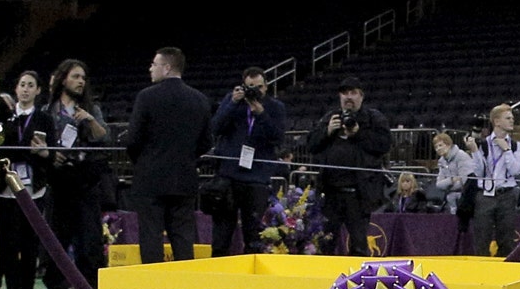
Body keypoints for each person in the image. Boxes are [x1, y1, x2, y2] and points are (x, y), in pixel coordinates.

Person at [126, 47, 213, 264]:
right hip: (184, 180)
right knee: (184, 238)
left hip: (150, 179)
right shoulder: (201, 99)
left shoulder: (146, 97)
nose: (150, 68)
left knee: (151, 237)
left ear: (166, 67)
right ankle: (185, 287)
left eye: (154, 64)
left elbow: (133, 140)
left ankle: (153, 288)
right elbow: (206, 143)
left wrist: (144, 162)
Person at [43, 58, 109, 289]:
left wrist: (90, 121)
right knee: (57, 238)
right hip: (59, 182)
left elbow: (105, 137)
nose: (81, 81)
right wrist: (51, 155)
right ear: (63, 79)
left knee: (90, 240)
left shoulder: (92, 108)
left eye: (83, 77)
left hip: (86, 182)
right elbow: (38, 143)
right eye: (76, 77)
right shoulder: (47, 111)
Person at [306, 76, 392, 256]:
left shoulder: (373, 118)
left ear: (361, 96)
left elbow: (383, 145)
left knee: (359, 247)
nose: (348, 97)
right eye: (345, 93)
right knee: (325, 245)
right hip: (330, 194)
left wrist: (358, 133)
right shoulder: (330, 117)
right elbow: (311, 145)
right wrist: (326, 131)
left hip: (359, 196)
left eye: (353, 93)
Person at [208, 66, 287, 257]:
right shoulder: (232, 101)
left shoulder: (275, 107)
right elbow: (215, 128)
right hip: (229, 177)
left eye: (259, 87)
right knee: (221, 237)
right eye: (250, 87)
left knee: (254, 236)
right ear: (243, 86)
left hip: (256, 179)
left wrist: (261, 113)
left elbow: (277, 138)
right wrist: (232, 103)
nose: (255, 91)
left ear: (266, 87)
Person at [0, 71, 55, 289]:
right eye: (22, 85)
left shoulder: (44, 119)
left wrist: (44, 153)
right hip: (7, 190)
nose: (25, 89)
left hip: (35, 190)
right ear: (16, 89)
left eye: (31, 85)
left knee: (30, 244)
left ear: (38, 91)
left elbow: (51, 153)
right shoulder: (5, 117)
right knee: (9, 244)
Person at [465, 103, 520, 256]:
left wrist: (506, 150)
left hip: (507, 194)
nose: (512, 120)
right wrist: (475, 152)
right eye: (508, 118)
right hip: (485, 195)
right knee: (481, 238)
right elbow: (479, 172)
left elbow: (515, 170)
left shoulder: (517, 146)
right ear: (497, 121)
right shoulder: (483, 144)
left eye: (512, 118)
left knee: (506, 239)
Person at [433, 131, 474, 214]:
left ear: (449, 145)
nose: (438, 149)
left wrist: (447, 187)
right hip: (450, 200)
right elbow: (439, 185)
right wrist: (451, 180)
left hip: (465, 199)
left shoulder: (461, 156)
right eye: (436, 147)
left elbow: (465, 181)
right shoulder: (442, 161)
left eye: (440, 145)